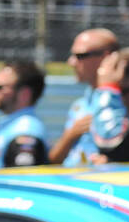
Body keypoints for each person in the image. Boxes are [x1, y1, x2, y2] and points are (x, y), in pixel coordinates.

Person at [49, 27, 119, 165]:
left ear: (106, 57)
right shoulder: (79, 105)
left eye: (80, 56)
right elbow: (53, 159)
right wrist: (71, 135)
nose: (71, 62)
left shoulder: (119, 104)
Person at [0, 60, 49, 171]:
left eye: (0, 87)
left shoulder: (26, 131)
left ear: (24, 94)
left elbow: (22, 181)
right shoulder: (12, 125)